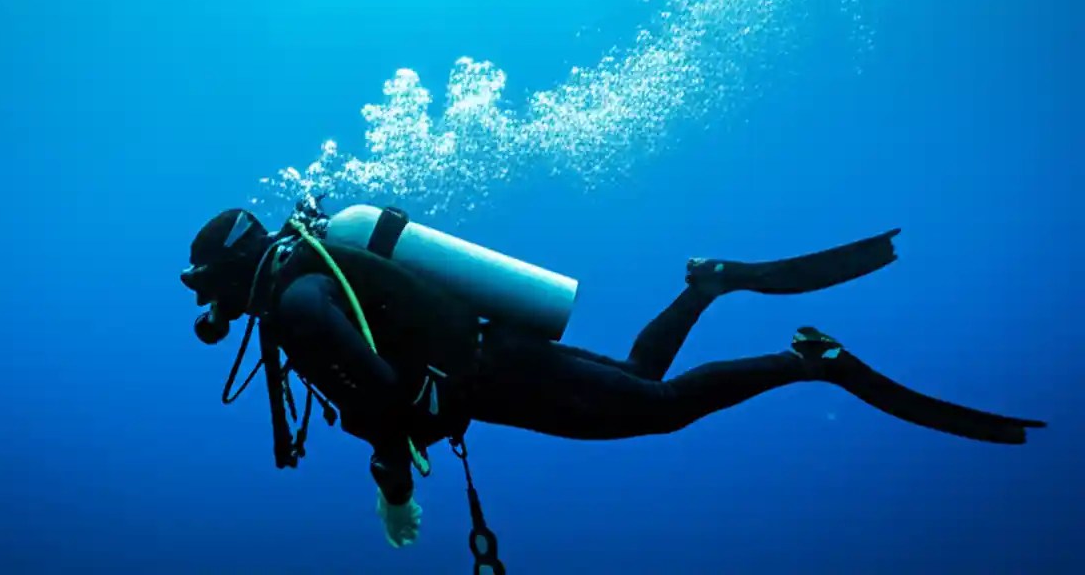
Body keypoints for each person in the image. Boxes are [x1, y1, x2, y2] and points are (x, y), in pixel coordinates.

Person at [178, 205, 1046, 555]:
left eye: (207, 287)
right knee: (640, 378)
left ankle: (806, 363)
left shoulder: (292, 302)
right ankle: (706, 286)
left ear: (228, 273)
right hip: (496, 352)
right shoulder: (311, 264)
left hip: (494, 378)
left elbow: (375, 392)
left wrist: (392, 487)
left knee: (660, 409)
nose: (211, 305)